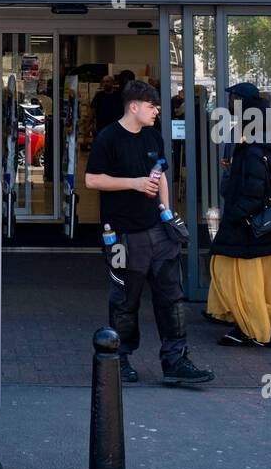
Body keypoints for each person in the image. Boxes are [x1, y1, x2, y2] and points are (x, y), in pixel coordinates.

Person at [86, 79, 214, 386]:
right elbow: (92, 180)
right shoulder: (109, 138)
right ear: (134, 107)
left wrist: (167, 213)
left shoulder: (153, 137)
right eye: (151, 106)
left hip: (158, 230)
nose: (156, 111)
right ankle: (119, 359)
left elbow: (162, 176)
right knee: (125, 300)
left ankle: (176, 361)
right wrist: (134, 183)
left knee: (172, 297)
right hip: (123, 233)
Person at [205, 83, 271, 347]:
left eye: (232, 99)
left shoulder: (252, 144)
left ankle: (253, 330)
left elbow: (254, 189)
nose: (229, 103)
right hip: (269, 223)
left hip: (249, 224)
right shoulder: (267, 134)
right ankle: (267, 324)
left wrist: (236, 216)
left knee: (238, 276)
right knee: (263, 281)